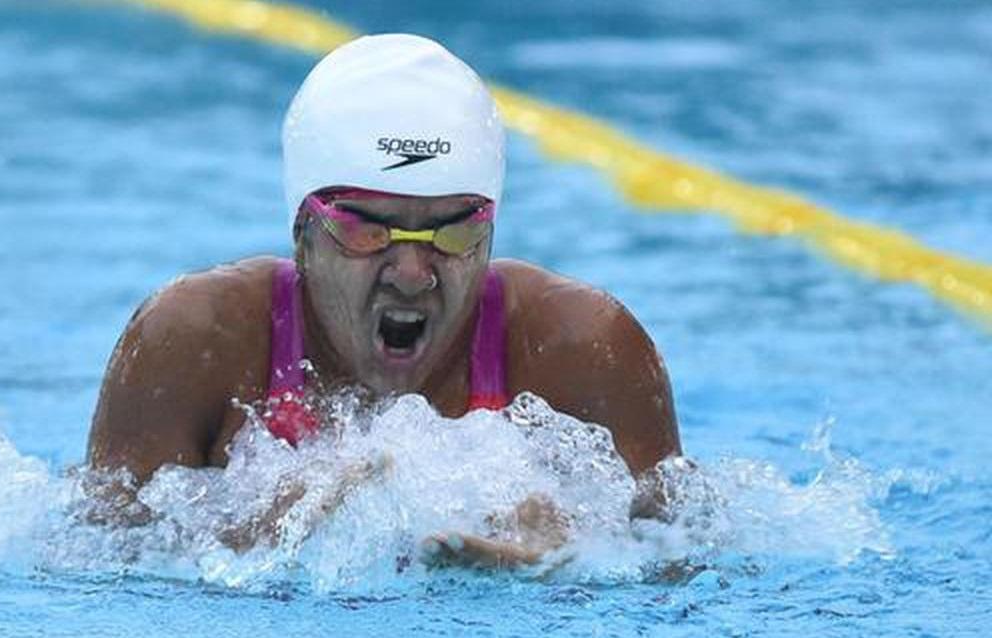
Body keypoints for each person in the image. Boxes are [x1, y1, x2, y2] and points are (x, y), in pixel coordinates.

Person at [86, 33, 681, 568]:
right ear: (302, 236)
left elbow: (686, 565)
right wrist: (250, 535)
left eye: (454, 229)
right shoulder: (196, 340)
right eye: (368, 229)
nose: (412, 273)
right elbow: (93, 558)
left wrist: (579, 562)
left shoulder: (582, 348)